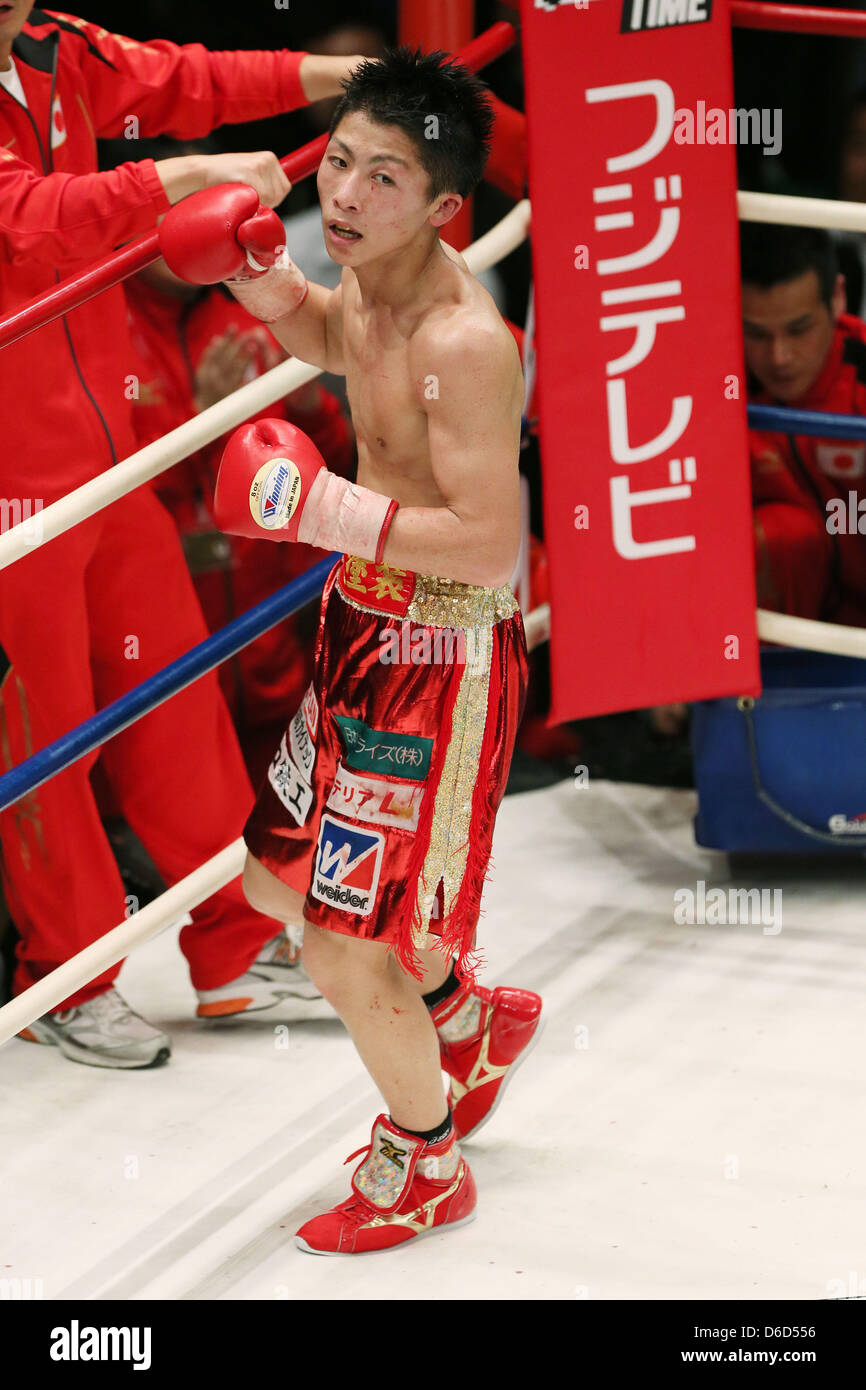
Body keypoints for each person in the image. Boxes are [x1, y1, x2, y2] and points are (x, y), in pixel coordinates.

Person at [162, 46, 544, 1253]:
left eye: (387, 179)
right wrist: (273, 288)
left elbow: (488, 546)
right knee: (277, 882)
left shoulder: (466, 343)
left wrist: (316, 507)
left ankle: (424, 1162)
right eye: (337, 164)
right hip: (358, 624)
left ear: (443, 207)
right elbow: (340, 345)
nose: (346, 197)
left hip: (438, 657)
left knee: (339, 943)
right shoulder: (372, 283)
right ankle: (460, 1011)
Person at [0, 4, 365, 1067]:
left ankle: (231, 947)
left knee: (173, 696)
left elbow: (185, 80)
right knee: (45, 738)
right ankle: (64, 975)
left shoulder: (55, 44)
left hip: (104, 456)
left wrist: (342, 72)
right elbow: (25, 214)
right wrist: (176, 182)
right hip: (10, 491)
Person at [740, 222, 866, 624]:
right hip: (776, 641)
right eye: (756, 333)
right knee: (782, 534)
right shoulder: (707, 395)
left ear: (839, 298)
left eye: (799, 329)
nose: (779, 357)